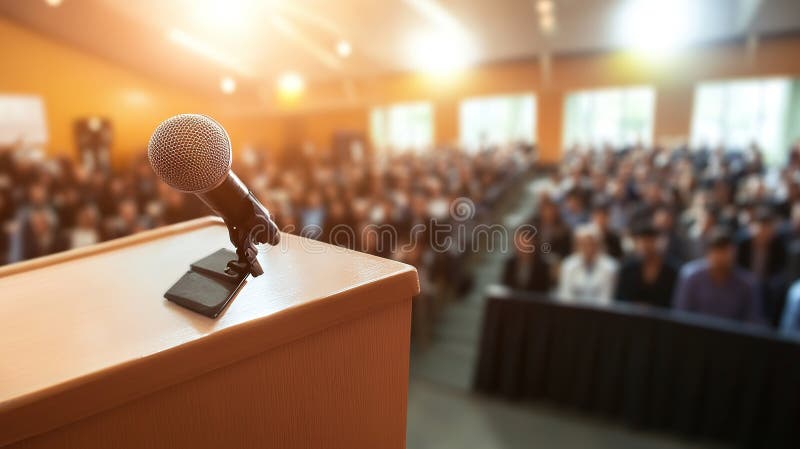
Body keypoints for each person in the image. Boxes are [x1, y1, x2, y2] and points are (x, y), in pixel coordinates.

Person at [672, 227, 764, 324]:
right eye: (717, 251)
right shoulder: (690, 276)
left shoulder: (748, 283)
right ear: (708, 252)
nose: (722, 257)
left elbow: (753, 321)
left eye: (726, 251)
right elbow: (681, 314)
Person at [616, 224, 678, 307]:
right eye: (641, 241)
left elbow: (675, 302)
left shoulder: (673, 270)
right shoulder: (627, 268)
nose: (645, 246)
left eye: (650, 241)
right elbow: (620, 298)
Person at [557, 224, 618, 305]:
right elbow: (565, 296)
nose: (588, 248)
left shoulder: (610, 267)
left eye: (591, 243)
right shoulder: (568, 265)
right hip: (573, 313)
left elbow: (606, 299)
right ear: (577, 245)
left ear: (598, 245)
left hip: (600, 314)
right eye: (583, 244)